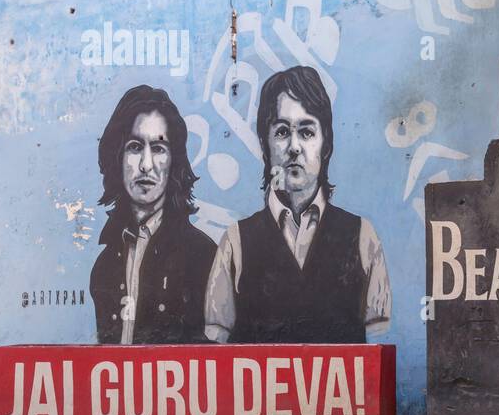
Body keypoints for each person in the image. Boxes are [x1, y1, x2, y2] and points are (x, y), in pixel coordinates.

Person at [205, 66, 391, 343]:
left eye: (306, 132)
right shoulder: (236, 243)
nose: (294, 147)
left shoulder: (362, 237)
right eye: (281, 132)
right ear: (264, 144)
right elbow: (216, 345)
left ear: (325, 143)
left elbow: (380, 341)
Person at [90, 86, 216, 343]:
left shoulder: (202, 256)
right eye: (135, 147)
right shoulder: (103, 267)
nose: (146, 165)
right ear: (118, 156)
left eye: (158, 148)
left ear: (174, 161)